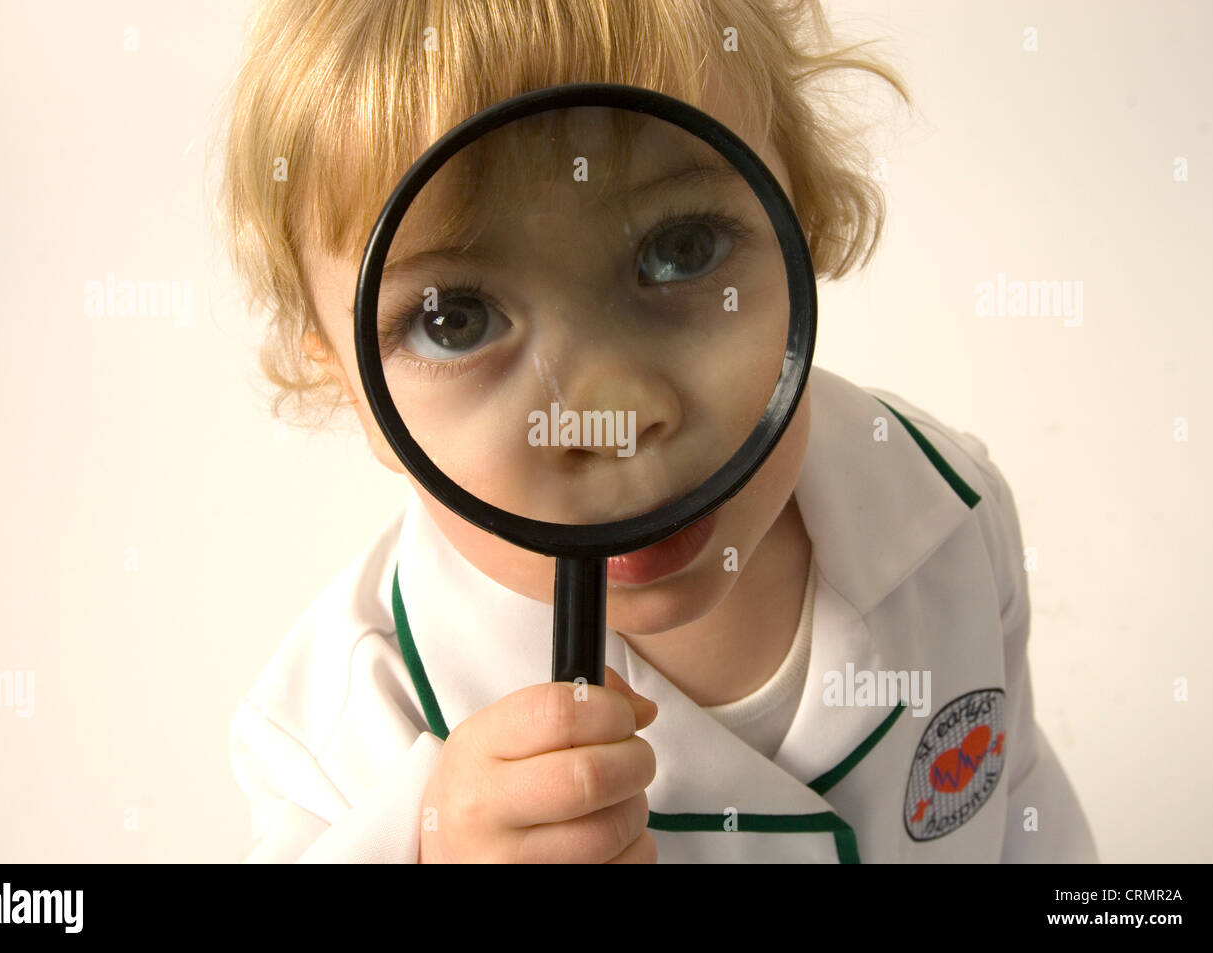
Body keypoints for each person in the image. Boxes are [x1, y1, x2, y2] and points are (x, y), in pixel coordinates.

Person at [220, 0, 1098, 863]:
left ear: (806, 210)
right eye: (454, 319)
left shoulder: (950, 508)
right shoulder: (336, 739)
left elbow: (1027, 819)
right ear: (354, 391)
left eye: (681, 250)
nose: (614, 417)